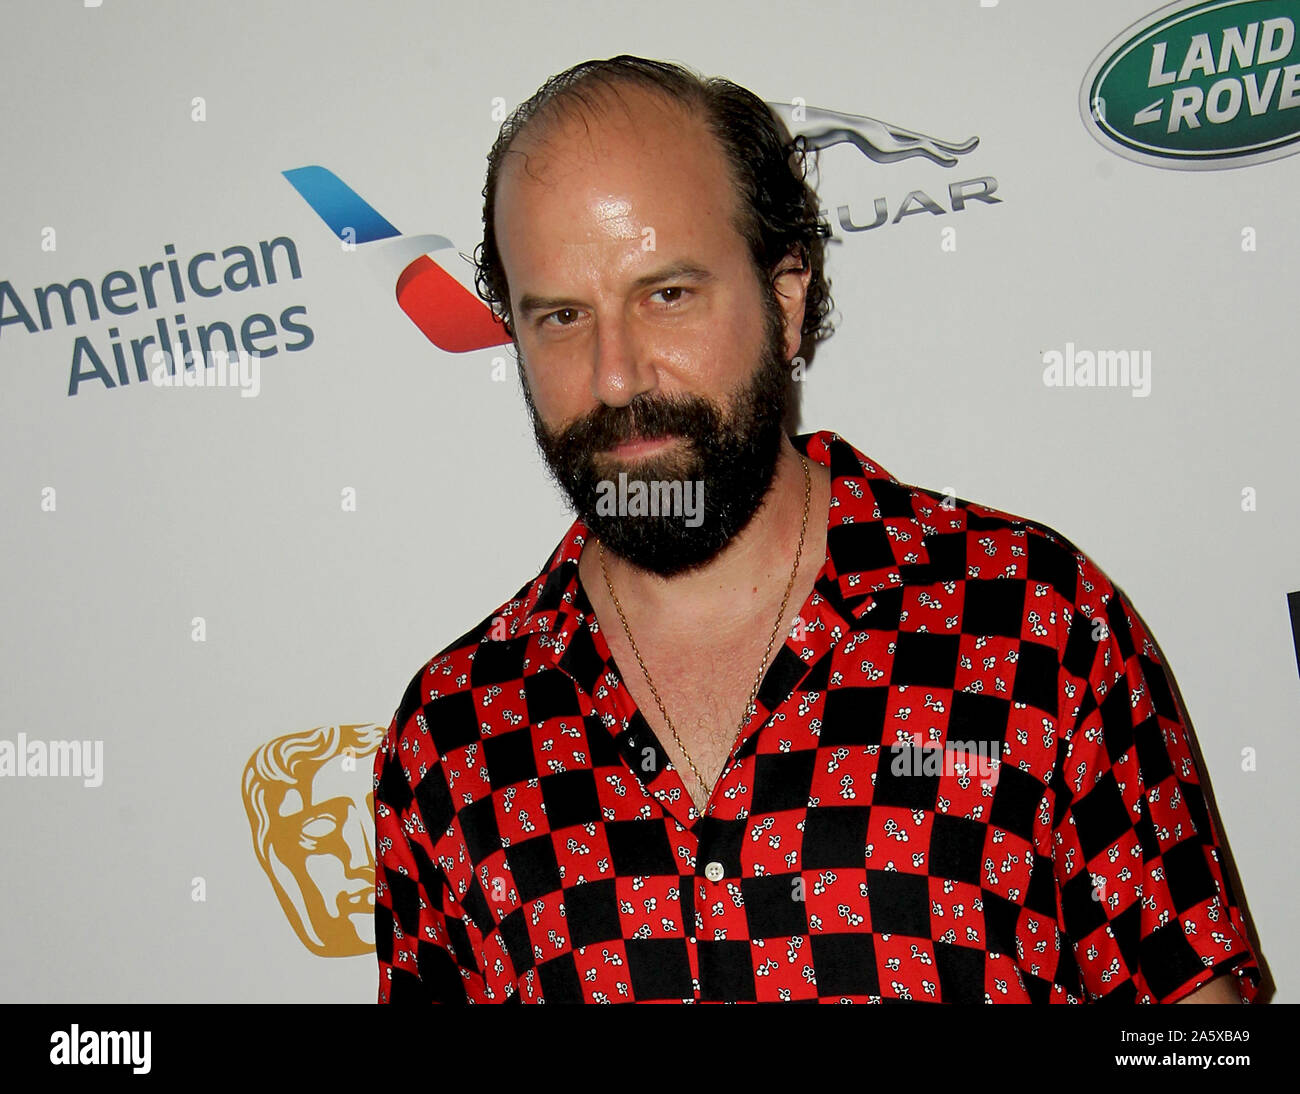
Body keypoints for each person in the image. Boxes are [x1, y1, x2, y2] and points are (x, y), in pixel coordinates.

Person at [372, 55, 1260, 1003]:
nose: (616, 376)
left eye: (666, 295)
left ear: (786, 299)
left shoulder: (1036, 623)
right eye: (559, 317)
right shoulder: (452, 733)